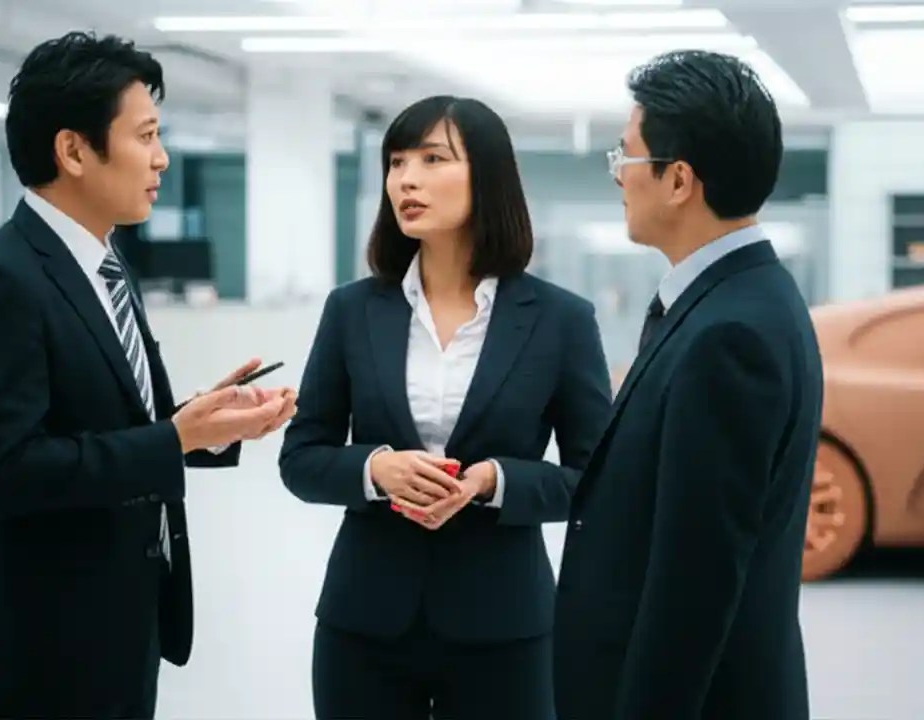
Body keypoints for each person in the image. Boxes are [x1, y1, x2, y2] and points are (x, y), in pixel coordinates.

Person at [0, 32, 296, 719]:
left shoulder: (101, 262)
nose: (161, 158)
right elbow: (8, 472)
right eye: (147, 135)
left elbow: (105, 422)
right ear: (73, 150)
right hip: (43, 653)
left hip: (118, 628)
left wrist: (208, 422)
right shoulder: (1, 280)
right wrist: (173, 441)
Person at [278, 95, 612, 720]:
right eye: (397, 161)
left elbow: (594, 478)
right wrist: (375, 471)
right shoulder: (352, 311)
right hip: (364, 622)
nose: (406, 178)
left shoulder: (562, 321)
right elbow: (301, 458)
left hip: (505, 628)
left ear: (486, 176)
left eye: (433, 159)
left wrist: (495, 481)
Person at [552, 50, 824, 720]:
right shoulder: (739, 301)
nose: (618, 178)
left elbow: (694, 589)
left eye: (626, 157)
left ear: (678, 180)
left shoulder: (727, 337)